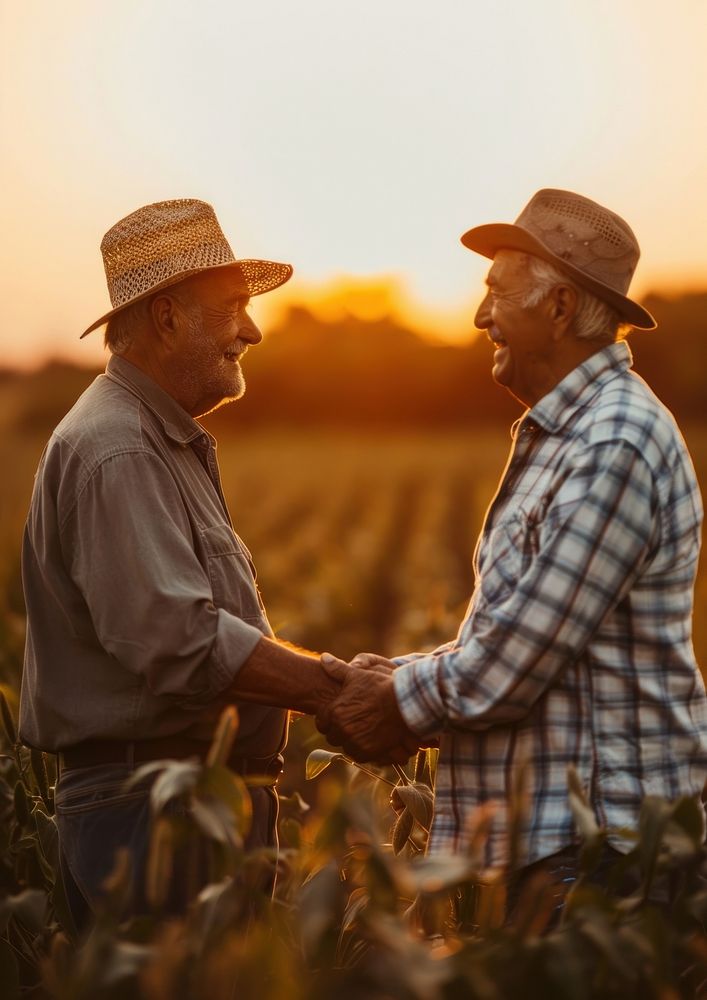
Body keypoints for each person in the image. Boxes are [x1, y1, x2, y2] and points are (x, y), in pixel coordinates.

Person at [317, 188, 707, 907]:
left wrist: (390, 698)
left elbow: (512, 662)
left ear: (558, 309)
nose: (478, 315)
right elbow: (519, 638)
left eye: (496, 293)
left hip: (601, 860)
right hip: (568, 853)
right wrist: (393, 675)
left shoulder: (612, 440)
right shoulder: (570, 434)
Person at [19, 198, 346, 927]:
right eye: (232, 308)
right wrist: (331, 686)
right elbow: (177, 639)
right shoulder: (121, 448)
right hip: (153, 811)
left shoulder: (153, 438)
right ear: (166, 318)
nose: (253, 330)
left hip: (175, 803)